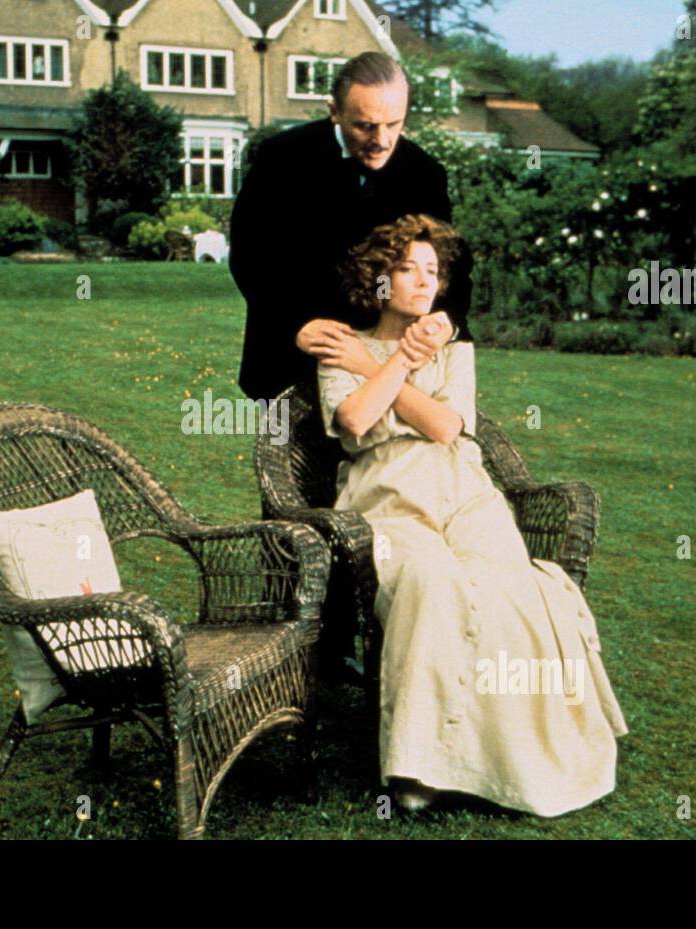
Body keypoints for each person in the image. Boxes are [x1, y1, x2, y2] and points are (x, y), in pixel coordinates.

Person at [317, 212, 629, 817]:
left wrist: (382, 369)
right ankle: (421, 765)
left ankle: (511, 754)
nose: (421, 280)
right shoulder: (340, 348)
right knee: (431, 585)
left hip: (465, 489)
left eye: (431, 271)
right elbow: (354, 424)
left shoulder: (457, 351)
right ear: (376, 278)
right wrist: (391, 360)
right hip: (387, 495)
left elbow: (445, 425)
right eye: (405, 268)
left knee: (514, 587)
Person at [229, 51, 472, 404]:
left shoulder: (426, 174)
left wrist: (447, 321)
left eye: (394, 124)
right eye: (366, 126)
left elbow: (454, 266)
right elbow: (251, 258)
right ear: (334, 111)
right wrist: (294, 325)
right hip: (291, 362)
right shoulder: (281, 158)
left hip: (386, 366)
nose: (382, 140)